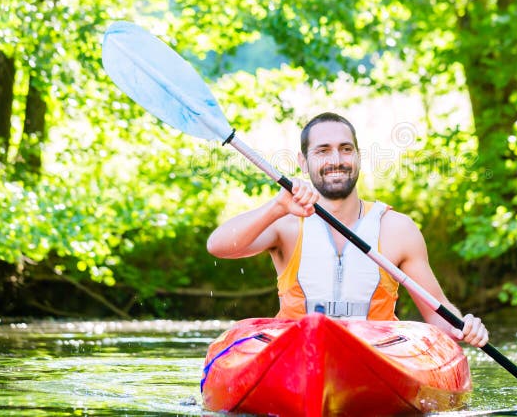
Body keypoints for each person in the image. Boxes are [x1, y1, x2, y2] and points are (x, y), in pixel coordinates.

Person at [207, 112, 489, 348]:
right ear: (303, 161)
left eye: (345, 149)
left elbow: (436, 310)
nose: (336, 160)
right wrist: (276, 207)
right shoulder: (285, 222)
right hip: (296, 351)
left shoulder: (396, 228)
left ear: (357, 157)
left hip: (377, 353)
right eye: (322, 150)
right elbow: (218, 246)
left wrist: (463, 326)